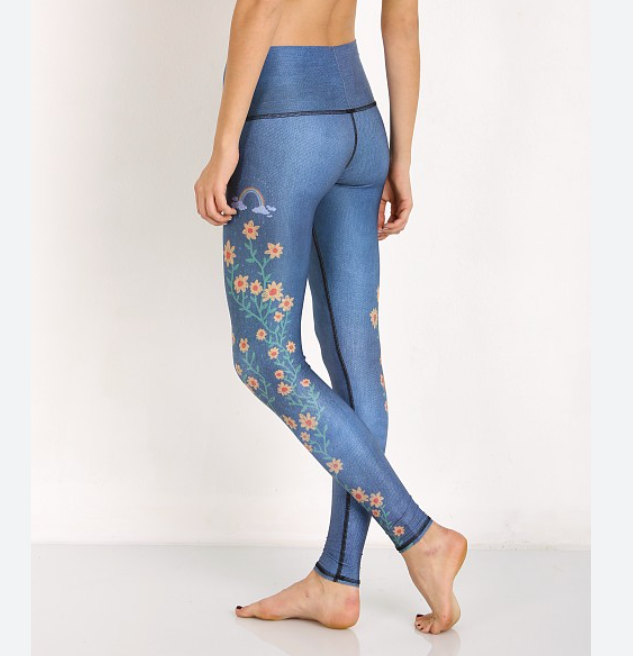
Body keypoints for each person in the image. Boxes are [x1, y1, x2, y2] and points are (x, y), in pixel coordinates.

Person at [194, 0, 467, 635]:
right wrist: (400, 158)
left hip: (283, 127)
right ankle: (338, 580)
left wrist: (225, 145)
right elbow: (402, 21)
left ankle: (420, 535)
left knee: (264, 360)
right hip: (360, 125)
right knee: (355, 363)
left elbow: (262, 6)